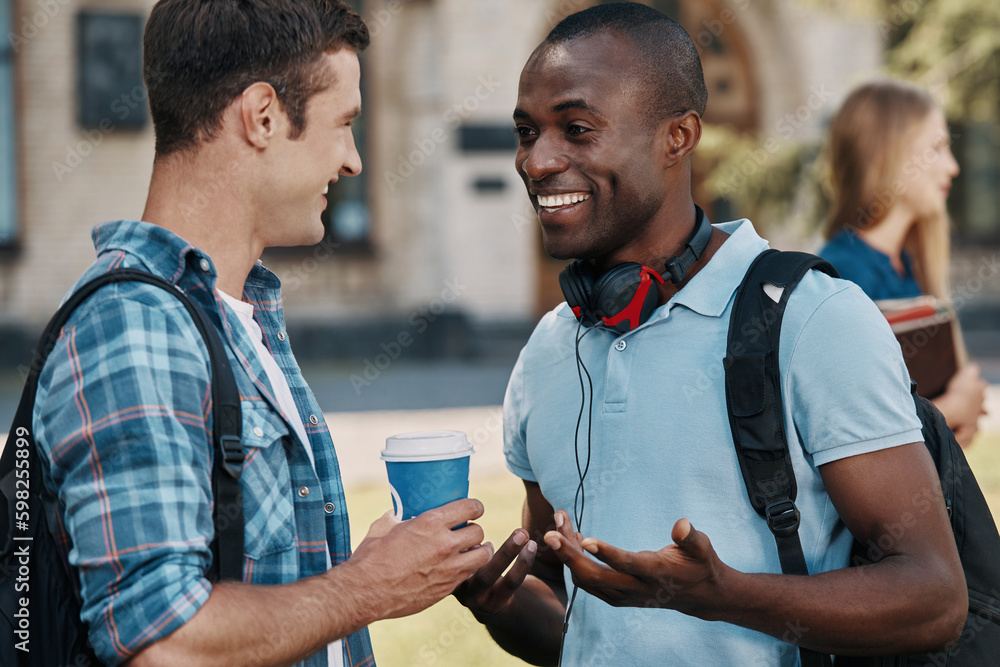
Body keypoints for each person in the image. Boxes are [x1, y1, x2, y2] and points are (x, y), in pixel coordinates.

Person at [454, 4, 966, 665]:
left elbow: (934, 596)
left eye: (576, 129)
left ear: (679, 136)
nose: (538, 160)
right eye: (528, 132)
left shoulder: (814, 319)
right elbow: (578, 629)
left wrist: (725, 594)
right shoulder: (548, 352)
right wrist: (495, 599)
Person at [32, 2, 491, 666]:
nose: (354, 161)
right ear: (263, 116)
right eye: (345, 125)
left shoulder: (239, 311)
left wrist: (361, 570)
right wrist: (365, 587)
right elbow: (163, 639)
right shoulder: (135, 322)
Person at [818, 80, 987, 448]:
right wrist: (955, 409)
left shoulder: (910, 265)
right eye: (938, 147)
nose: (953, 167)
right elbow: (852, 434)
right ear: (886, 153)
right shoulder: (837, 277)